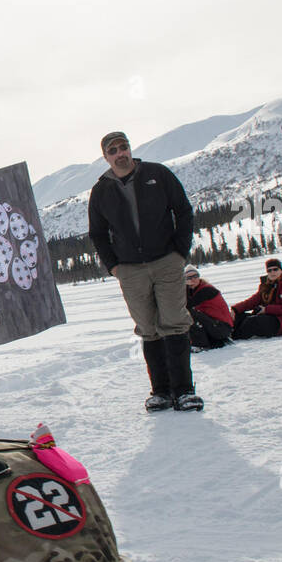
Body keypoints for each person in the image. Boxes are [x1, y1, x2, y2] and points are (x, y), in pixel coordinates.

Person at [88, 131, 202, 411]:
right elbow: (98, 233)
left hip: (166, 261)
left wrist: (179, 252)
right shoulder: (101, 190)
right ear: (106, 157)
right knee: (148, 328)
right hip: (130, 269)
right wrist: (114, 266)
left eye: (123, 147)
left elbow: (183, 210)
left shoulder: (157, 174)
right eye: (113, 150)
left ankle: (184, 390)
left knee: (174, 321)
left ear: (130, 148)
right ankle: (161, 392)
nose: (120, 153)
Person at [230, 258, 282, 340]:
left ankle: (233, 337)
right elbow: (252, 301)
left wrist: (267, 309)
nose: (272, 272)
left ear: (281, 270)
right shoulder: (267, 286)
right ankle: (227, 333)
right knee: (239, 317)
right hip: (273, 316)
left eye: (275, 269)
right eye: (269, 270)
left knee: (253, 322)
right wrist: (235, 309)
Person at [184, 265, 234, 350]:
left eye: (195, 276)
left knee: (188, 313)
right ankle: (211, 341)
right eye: (189, 277)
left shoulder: (206, 290)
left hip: (222, 328)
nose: (193, 279)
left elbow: (186, 305)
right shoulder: (194, 290)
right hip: (216, 326)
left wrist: (184, 286)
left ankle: (200, 344)